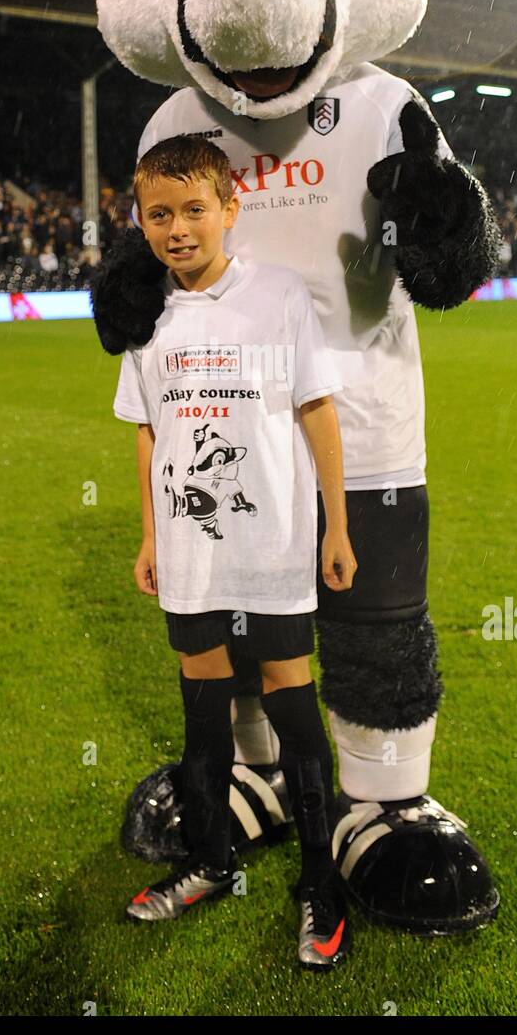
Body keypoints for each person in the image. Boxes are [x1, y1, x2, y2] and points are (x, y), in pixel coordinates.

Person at [112, 136, 358, 969]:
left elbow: (317, 411)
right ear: (139, 221)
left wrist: (337, 526)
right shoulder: (145, 315)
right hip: (189, 550)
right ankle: (211, 861)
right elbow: (147, 432)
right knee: (203, 714)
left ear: (228, 209)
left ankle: (320, 887)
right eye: (158, 214)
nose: (176, 228)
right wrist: (149, 533)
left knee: (294, 711)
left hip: (273, 543)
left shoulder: (278, 295)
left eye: (192, 209)